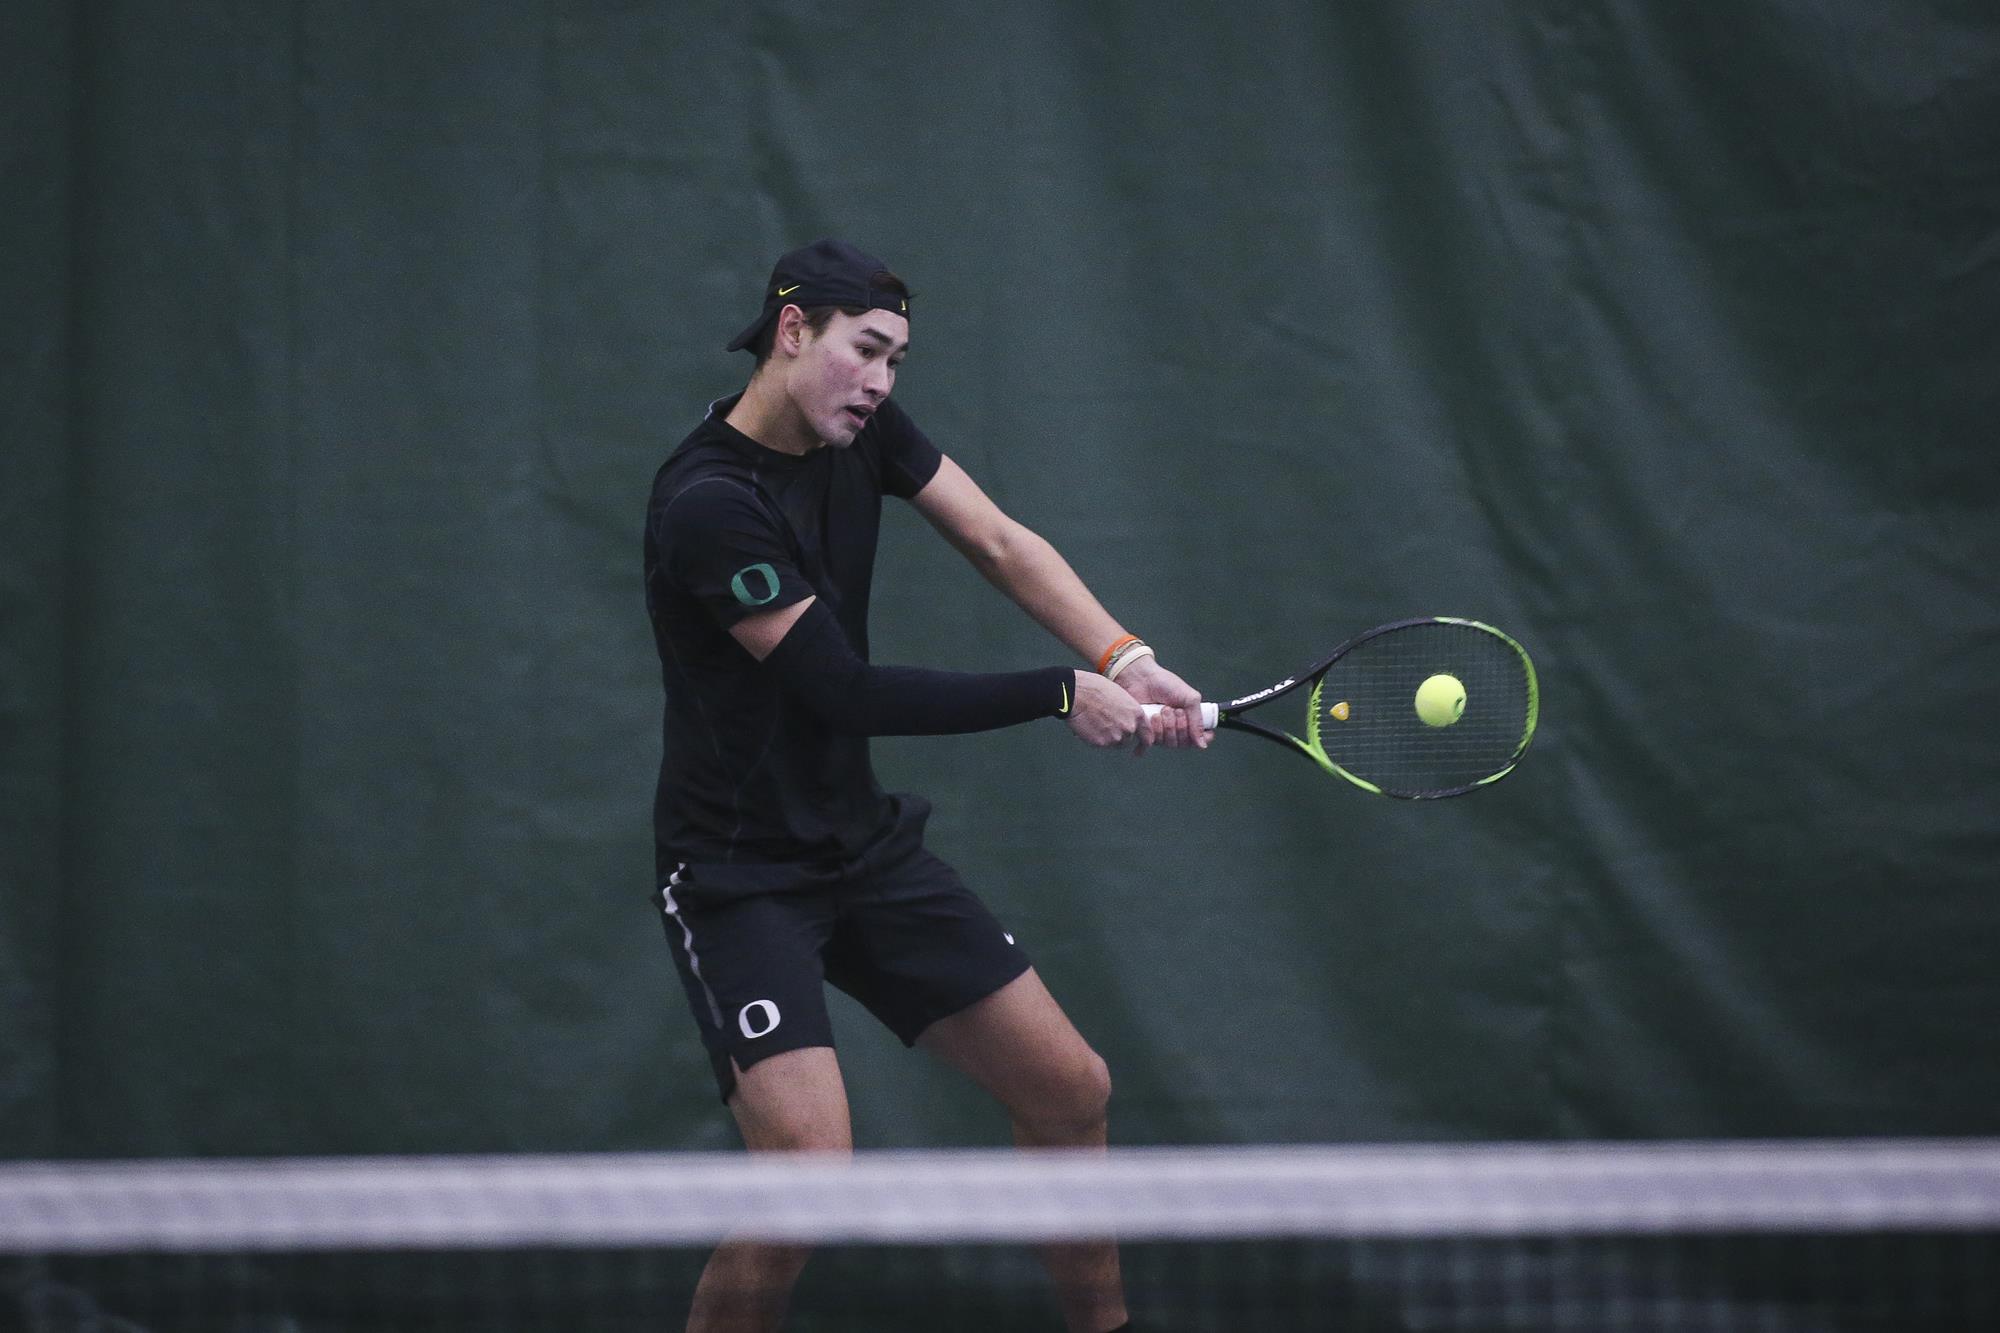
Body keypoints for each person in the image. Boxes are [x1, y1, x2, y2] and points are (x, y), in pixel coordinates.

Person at [644, 239, 1207, 1332]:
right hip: (735, 874)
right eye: (866, 351)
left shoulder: (862, 432)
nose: (882, 382)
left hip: (860, 848)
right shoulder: (708, 504)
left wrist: (1122, 658)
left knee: (1069, 1091)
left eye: (897, 360)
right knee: (806, 1180)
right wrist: (1057, 694)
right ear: (792, 329)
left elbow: (997, 540)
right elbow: (838, 691)